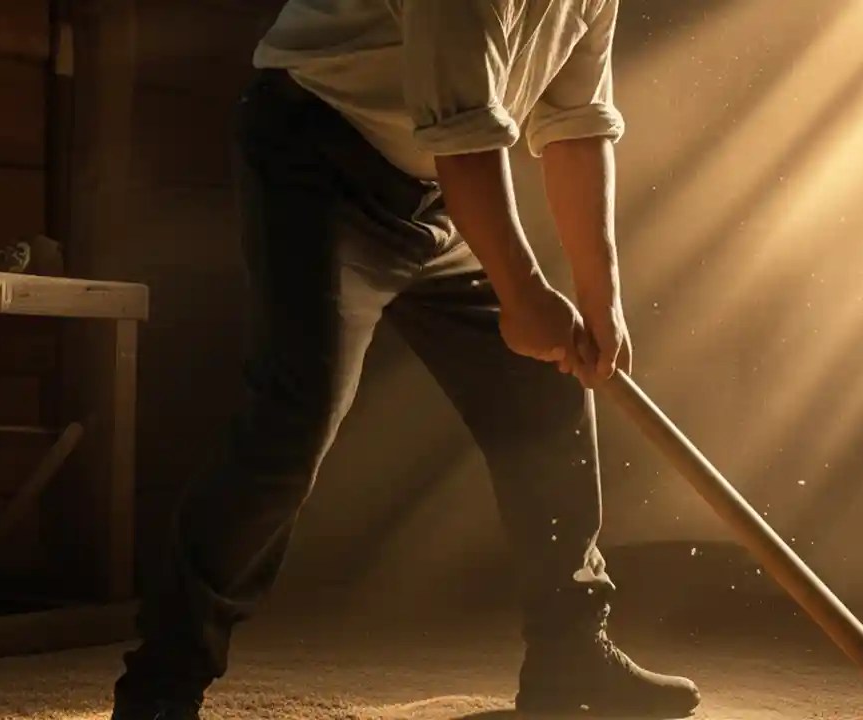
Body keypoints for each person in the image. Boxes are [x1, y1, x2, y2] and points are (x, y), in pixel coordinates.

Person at [111, 1, 701, 718]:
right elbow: (466, 136)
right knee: (293, 420)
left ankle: (571, 657)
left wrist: (600, 299)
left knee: (547, 384)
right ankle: (161, 686)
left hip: (434, 190)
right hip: (318, 154)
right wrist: (524, 294)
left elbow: (576, 125)